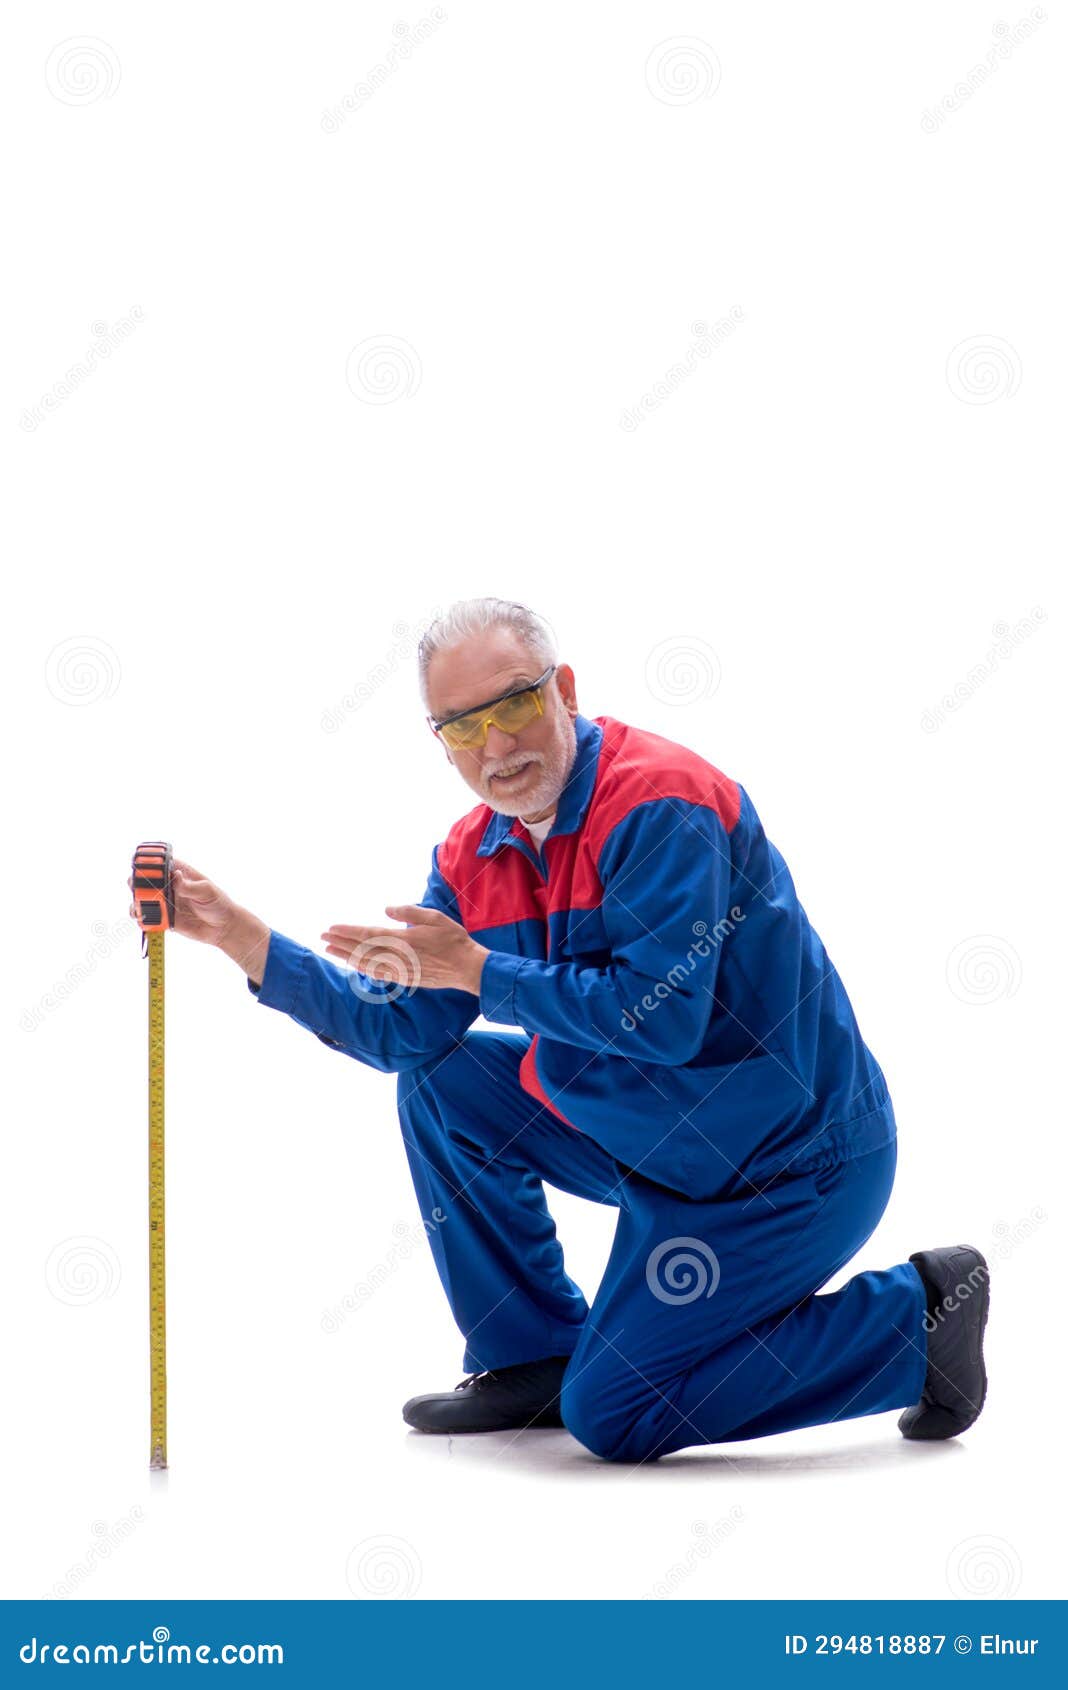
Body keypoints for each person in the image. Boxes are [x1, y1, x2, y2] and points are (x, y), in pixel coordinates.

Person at [128, 597, 990, 1462]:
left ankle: (915, 1323)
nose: (497, 745)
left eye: (514, 703)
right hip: (659, 1150)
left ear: (564, 690)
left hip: (787, 1167)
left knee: (615, 1415)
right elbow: (402, 1034)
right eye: (463, 727)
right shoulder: (471, 858)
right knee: (441, 1082)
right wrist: (241, 938)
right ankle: (532, 1355)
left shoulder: (661, 804)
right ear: (442, 742)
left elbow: (662, 1019)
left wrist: (479, 971)